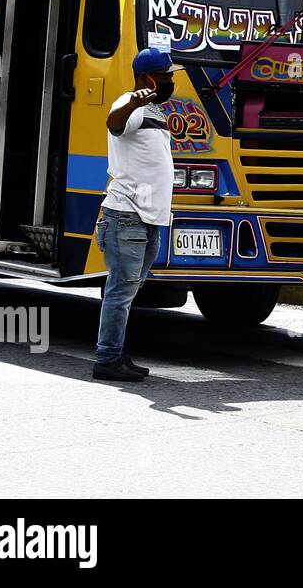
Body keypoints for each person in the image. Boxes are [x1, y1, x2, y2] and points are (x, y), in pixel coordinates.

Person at [93, 48, 179, 382]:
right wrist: (133, 102)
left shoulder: (152, 111)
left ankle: (115, 353)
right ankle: (107, 358)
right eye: (166, 77)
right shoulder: (128, 104)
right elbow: (114, 124)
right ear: (147, 78)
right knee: (120, 290)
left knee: (128, 291)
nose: (171, 82)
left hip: (148, 219)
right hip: (126, 216)